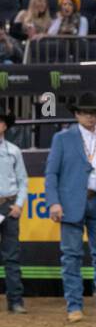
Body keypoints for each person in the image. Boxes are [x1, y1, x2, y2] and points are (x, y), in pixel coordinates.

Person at [46, 93, 96, 322]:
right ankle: (74, 307)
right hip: (70, 203)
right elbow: (52, 173)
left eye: (93, 113)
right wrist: (53, 202)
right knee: (71, 256)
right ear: (77, 114)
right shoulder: (62, 139)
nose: (90, 117)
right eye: (85, 113)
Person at [0, 110, 27, 314]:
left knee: (11, 255)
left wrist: (18, 204)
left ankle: (15, 301)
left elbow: (23, 181)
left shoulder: (14, 151)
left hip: (8, 206)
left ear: (4, 126)